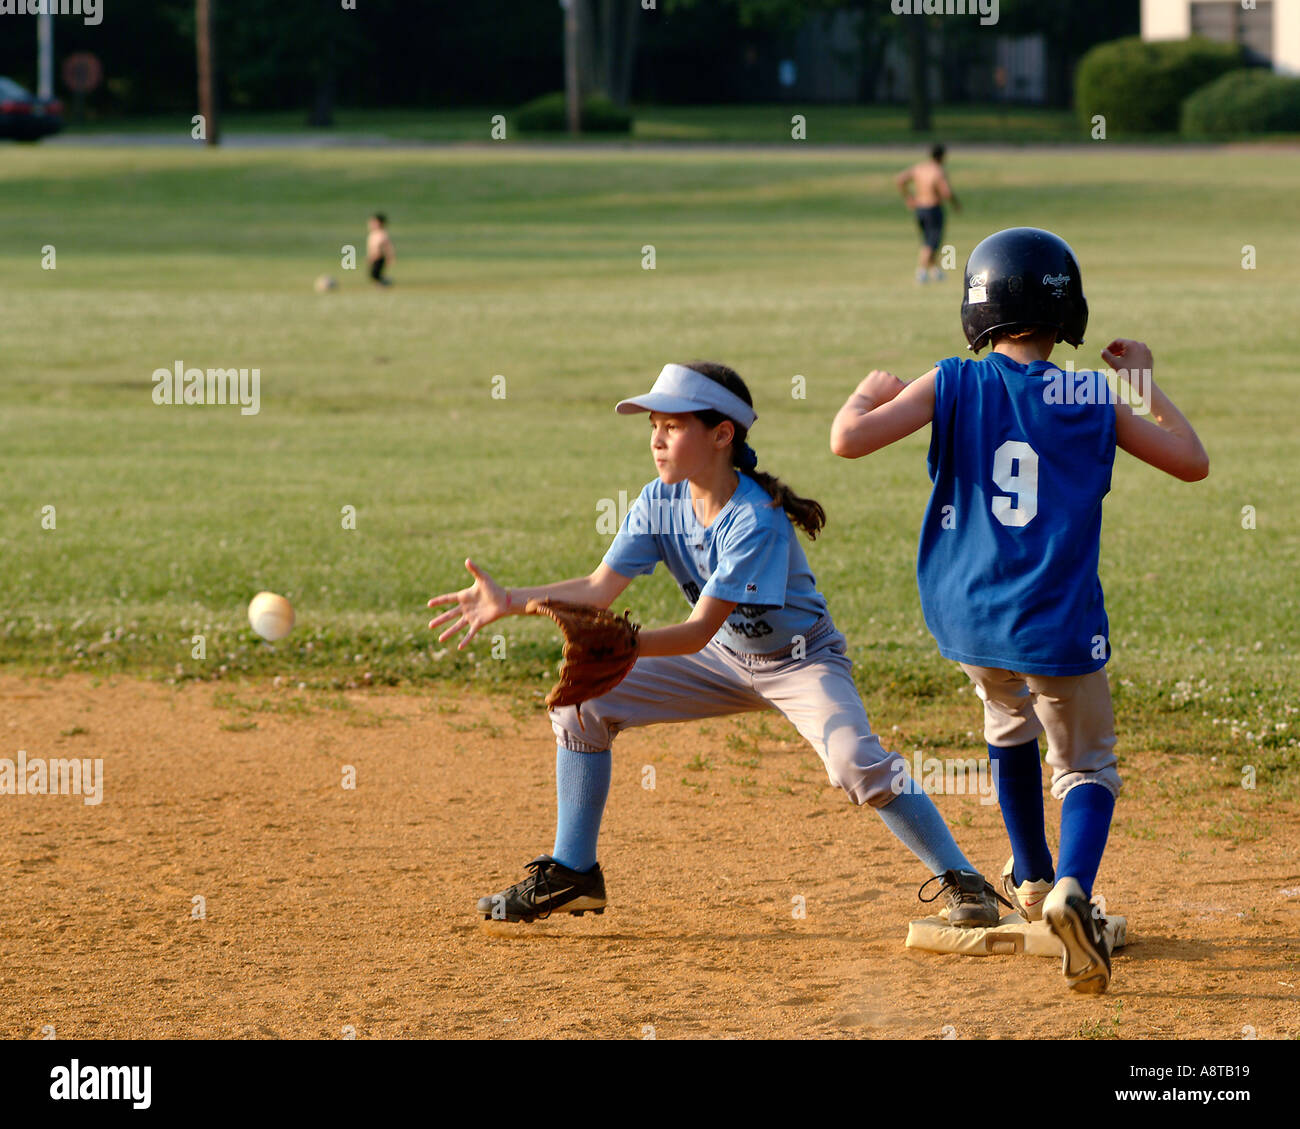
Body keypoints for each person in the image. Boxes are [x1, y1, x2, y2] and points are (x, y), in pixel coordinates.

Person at [428, 361, 1006, 929]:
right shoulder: (660, 501)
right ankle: (575, 873)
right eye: (653, 426)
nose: (657, 440)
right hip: (721, 659)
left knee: (856, 764)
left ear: (722, 434)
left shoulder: (755, 518)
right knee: (584, 703)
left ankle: (963, 878)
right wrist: (512, 600)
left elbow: (695, 630)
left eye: (673, 426)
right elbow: (598, 589)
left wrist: (625, 647)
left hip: (800, 662)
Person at [829, 227, 1209, 992]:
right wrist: (1142, 381)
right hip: (1058, 624)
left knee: (1007, 726)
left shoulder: (951, 382)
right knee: (1087, 765)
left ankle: (1031, 879)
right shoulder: (1089, 394)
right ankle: (1071, 887)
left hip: (973, 622)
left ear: (978, 311)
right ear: (1066, 312)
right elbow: (1191, 461)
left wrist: (868, 392)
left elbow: (847, 439)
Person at [896, 144, 960, 284]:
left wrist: (909, 197)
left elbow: (900, 179)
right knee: (932, 242)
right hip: (933, 208)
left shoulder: (920, 168)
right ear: (942, 156)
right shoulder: (938, 171)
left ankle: (935, 271)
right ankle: (922, 271)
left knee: (927, 240)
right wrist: (956, 204)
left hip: (920, 209)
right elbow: (946, 192)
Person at [366, 212, 395, 286]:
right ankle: (384, 282)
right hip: (374, 257)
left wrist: (390, 256)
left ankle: (386, 282)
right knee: (372, 274)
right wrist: (369, 256)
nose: (371, 224)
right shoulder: (372, 234)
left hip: (380, 257)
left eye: (374, 222)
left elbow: (387, 246)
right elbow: (371, 247)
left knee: (375, 273)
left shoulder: (382, 234)